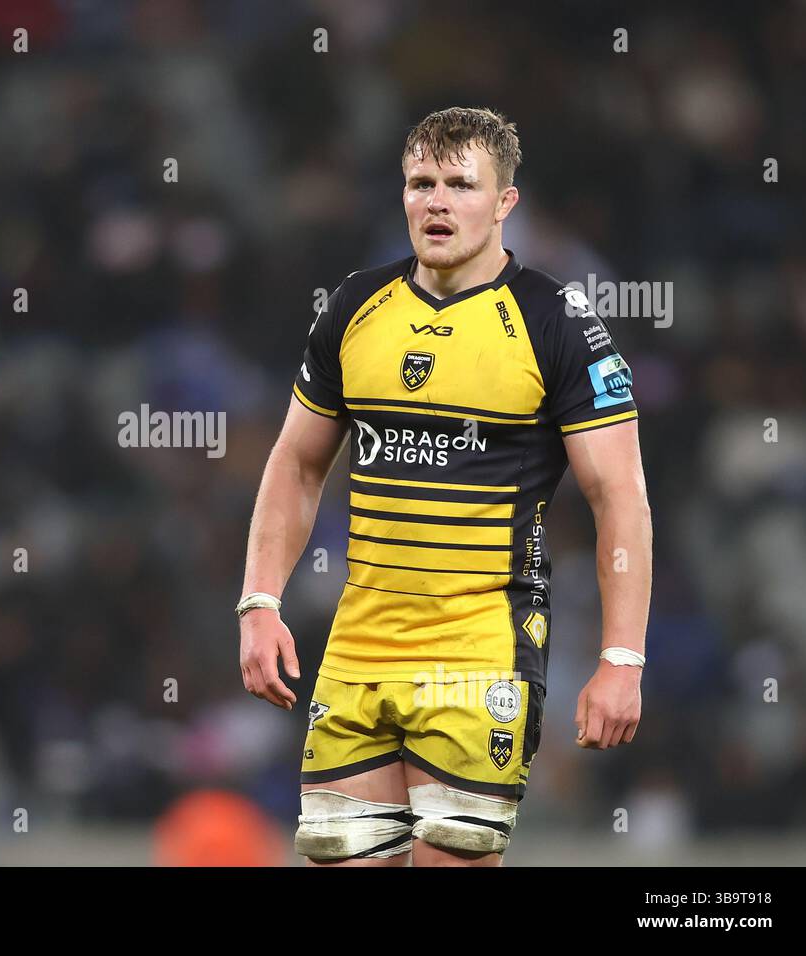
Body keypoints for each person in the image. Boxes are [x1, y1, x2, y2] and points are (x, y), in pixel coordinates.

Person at [237, 107, 651, 866]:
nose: (436, 201)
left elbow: (619, 495)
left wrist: (622, 658)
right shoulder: (355, 309)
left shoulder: (557, 322)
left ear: (504, 204)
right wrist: (260, 601)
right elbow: (296, 464)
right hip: (359, 652)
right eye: (421, 183)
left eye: (461, 185)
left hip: (480, 654)